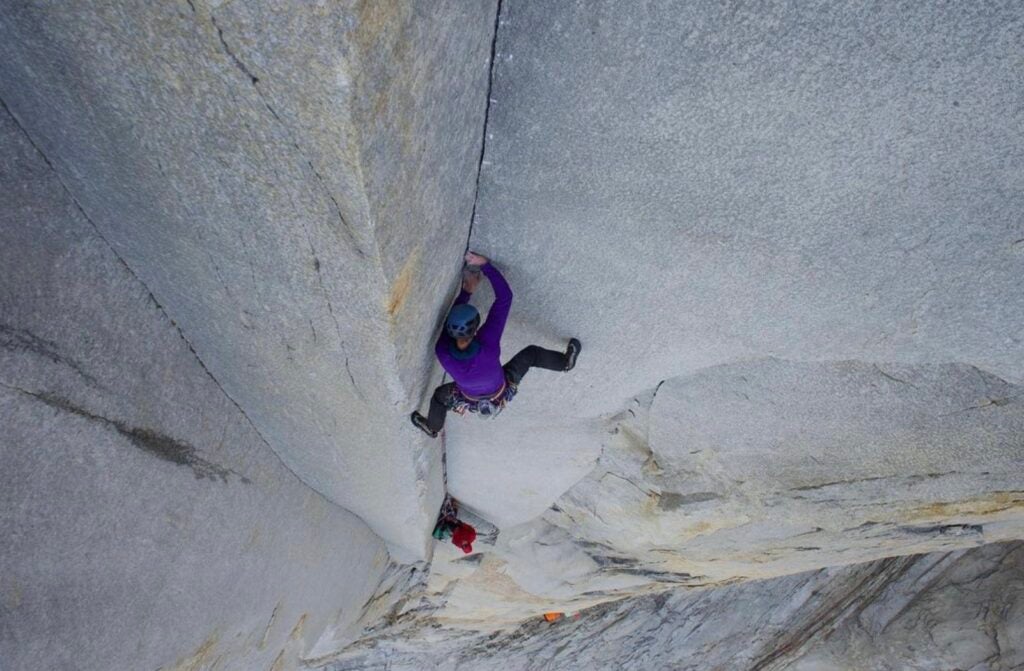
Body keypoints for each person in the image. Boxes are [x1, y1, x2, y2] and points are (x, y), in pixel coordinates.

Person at [411, 251, 581, 438]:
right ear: (477, 327)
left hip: (481, 397)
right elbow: (505, 297)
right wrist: (485, 266)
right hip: (500, 386)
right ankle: (564, 363)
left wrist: (466, 292)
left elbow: (448, 324)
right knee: (532, 354)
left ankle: (433, 427)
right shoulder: (487, 343)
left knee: (439, 397)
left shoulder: (442, 350)